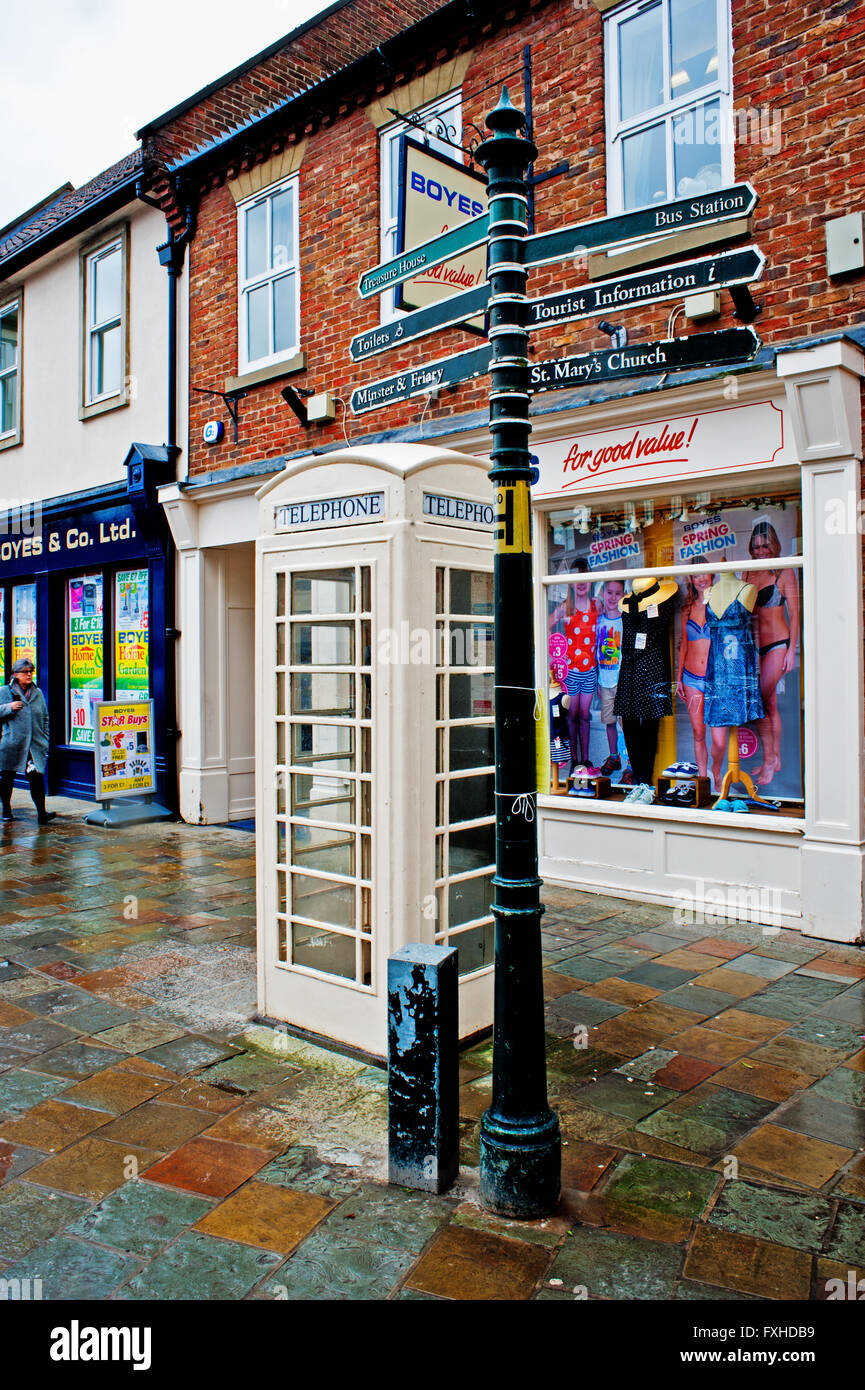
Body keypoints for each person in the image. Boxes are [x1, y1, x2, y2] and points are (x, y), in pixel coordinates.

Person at [743, 519, 799, 787]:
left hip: (779, 643)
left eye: (765, 545)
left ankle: (768, 761)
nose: (761, 551)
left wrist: (792, 650)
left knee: (762, 699)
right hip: (756, 647)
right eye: (756, 547)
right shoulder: (748, 573)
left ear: (774, 544)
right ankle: (775, 758)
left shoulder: (784, 570)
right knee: (771, 705)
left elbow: (796, 615)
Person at [549, 559, 598, 773]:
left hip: (590, 671)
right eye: (576, 577)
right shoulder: (565, 608)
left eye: (584, 577)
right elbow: (546, 624)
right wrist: (553, 653)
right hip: (571, 672)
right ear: (570, 583)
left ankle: (586, 759)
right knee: (573, 714)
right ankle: (574, 761)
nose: (580, 582)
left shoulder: (597, 605)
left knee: (585, 715)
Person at [0, 659, 56, 825]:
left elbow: (45, 717)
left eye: (31, 671)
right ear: (16, 675)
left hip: (34, 746)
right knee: (7, 778)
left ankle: (41, 813)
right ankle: (7, 810)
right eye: (25, 672)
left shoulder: (37, 693)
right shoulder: (5, 691)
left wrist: (45, 738)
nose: (29, 674)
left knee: (36, 778)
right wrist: (9, 707)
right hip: (12, 743)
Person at [675, 570, 714, 777]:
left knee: (718, 736)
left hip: (714, 679)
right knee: (699, 733)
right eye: (695, 575)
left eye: (704, 574)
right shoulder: (687, 608)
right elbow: (683, 645)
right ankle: (703, 779)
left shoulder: (718, 603)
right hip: (691, 679)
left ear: (711, 575)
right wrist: (679, 678)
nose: (700, 579)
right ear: (690, 579)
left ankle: (717, 773)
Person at [595, 578, 624, 775]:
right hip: (604, 679)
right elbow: (595, 651)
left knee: (624, 724)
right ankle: (614, 756)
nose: (613, 597)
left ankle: (629, 759)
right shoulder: (598, 621)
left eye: (617, 593)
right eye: (610, 592)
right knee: (609, 721)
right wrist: (597, 678)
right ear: (603, 594)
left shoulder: (624, 620)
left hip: (621, 679)